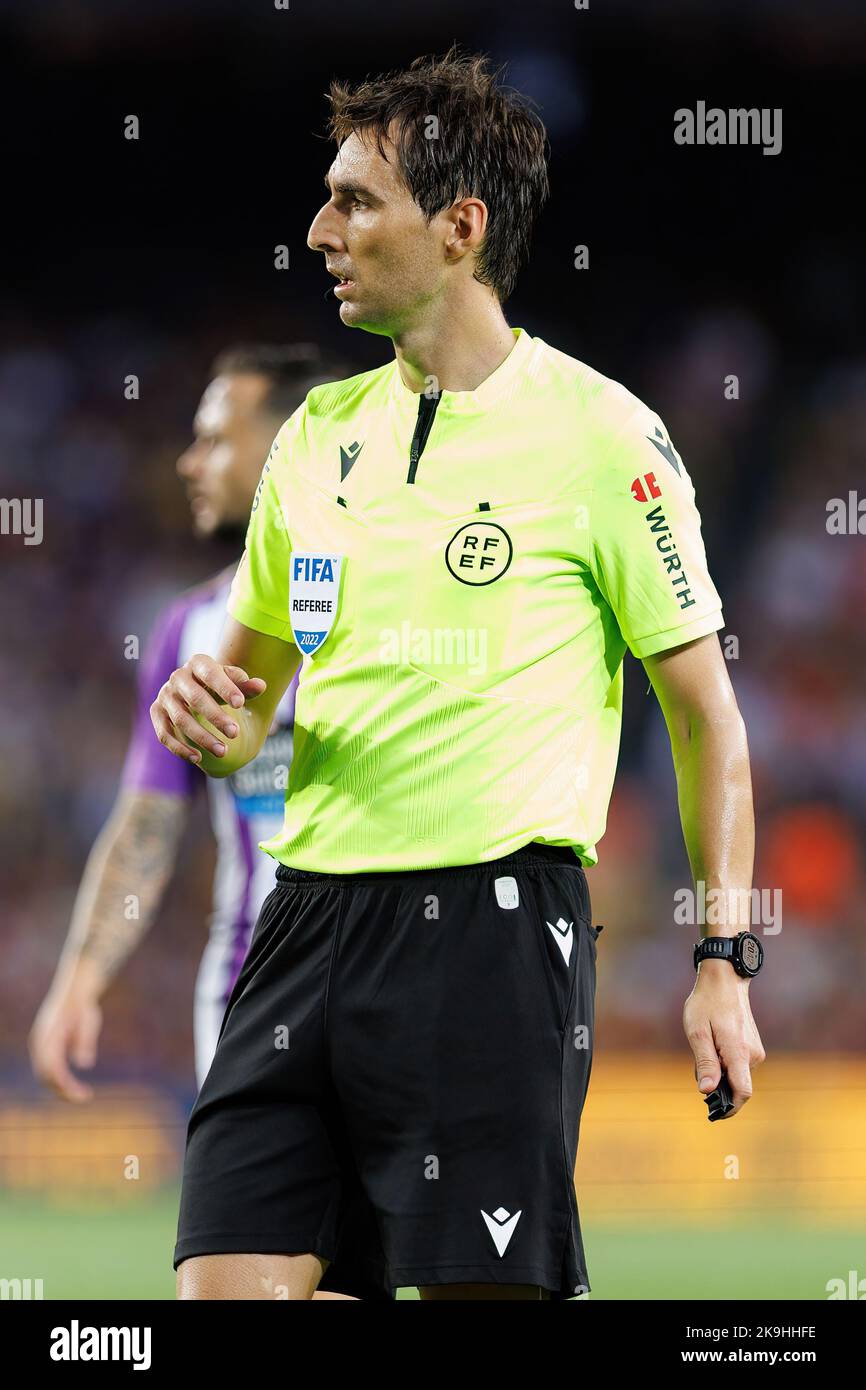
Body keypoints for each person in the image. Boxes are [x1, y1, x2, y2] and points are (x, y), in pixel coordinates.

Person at [151, 48, 764, 1302]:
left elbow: (705, 717)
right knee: (219, 1289)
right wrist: (206, 719)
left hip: (489, 929)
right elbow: (244, 700)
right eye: (327, 197)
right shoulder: (315, 438)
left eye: (355, 200)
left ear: (459, 226)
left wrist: (720, 960)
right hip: (306, 918)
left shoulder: (604, 437)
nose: (320, 227)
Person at [28, 343, 379, 1301]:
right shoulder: (187, 630)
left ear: (290, 445)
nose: (190, 461)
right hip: (244, 1005)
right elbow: (146, 825)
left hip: (393, 988)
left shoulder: (395, 597)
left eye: (216, 437)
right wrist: (81, 978)